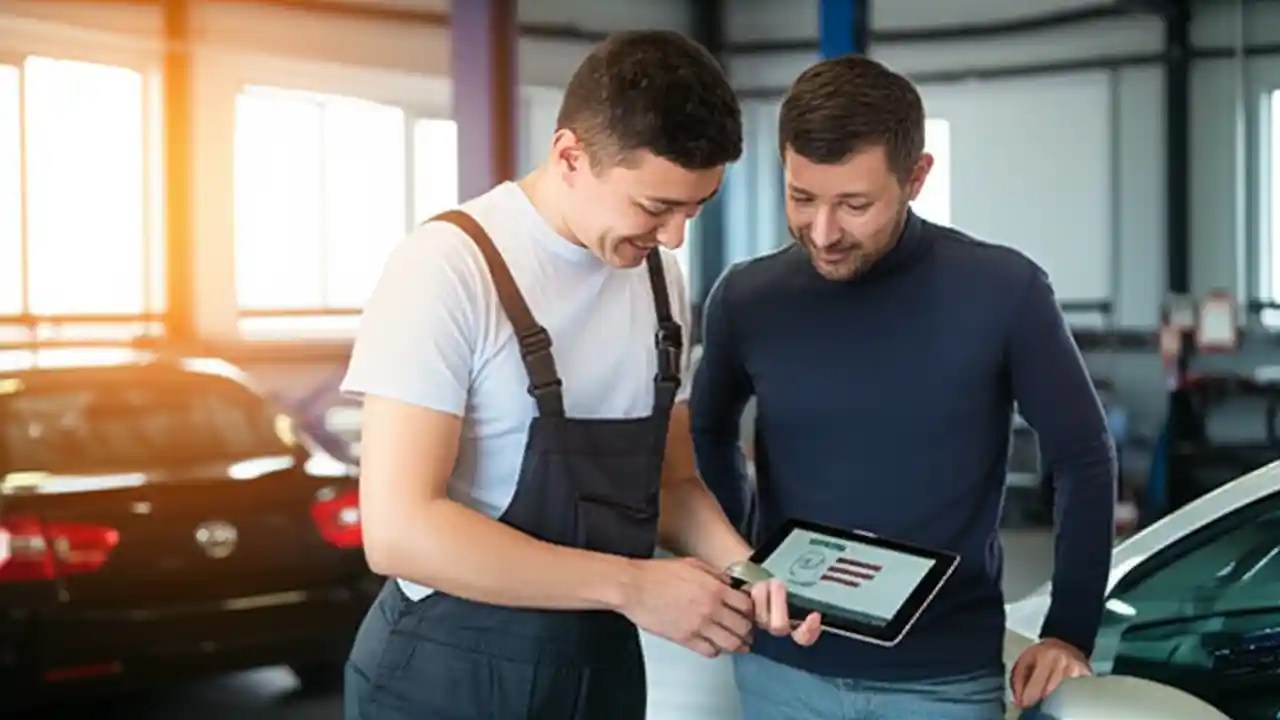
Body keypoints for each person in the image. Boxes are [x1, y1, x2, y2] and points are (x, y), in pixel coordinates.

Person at [339, 30, 820, 720]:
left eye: (695, 208)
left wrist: (751, 574)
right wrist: (632, 585)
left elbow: (673, 483)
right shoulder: (447, 268)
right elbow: (397, 529)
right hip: (446, 674)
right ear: (570, 156)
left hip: (599, 670)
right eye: (656, 207)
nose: (676, 237)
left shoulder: (657, 278)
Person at [690, 54, 1117, 720]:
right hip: (779, 670)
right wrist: (743, 562)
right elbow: (707, 432)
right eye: (801, 197)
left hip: (941, 681)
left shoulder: (1005, 292)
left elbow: (1083, 457)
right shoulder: (746, 298)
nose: (824, 232)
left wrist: (1069, 628)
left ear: (916, 177)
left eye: (854, 204)